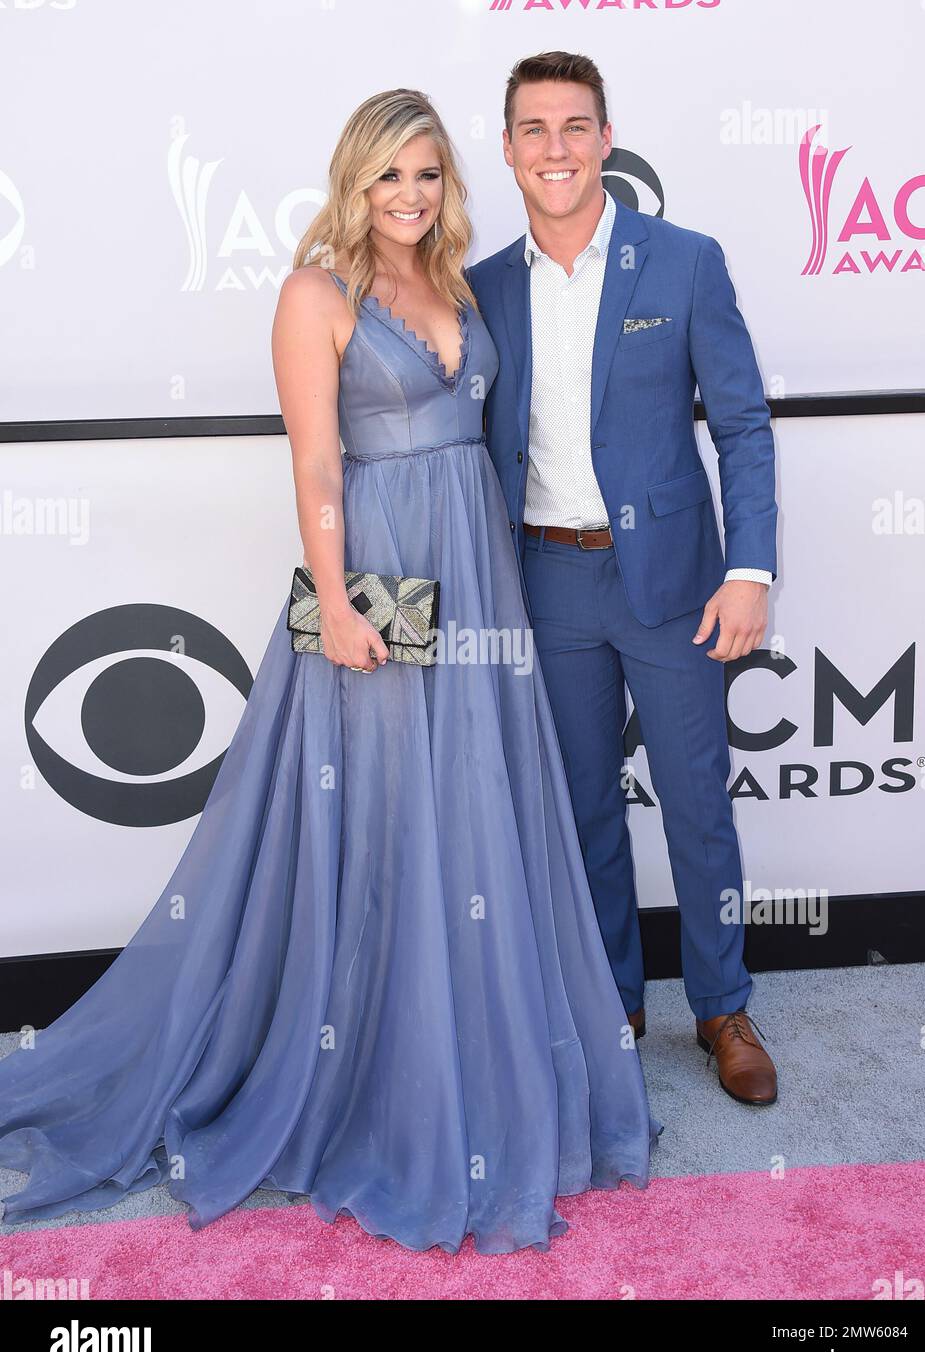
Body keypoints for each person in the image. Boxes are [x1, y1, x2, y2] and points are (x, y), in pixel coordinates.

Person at [0, 88, 662, 1255]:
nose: (406, 195)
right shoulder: (315, 292)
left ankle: (474, 1036)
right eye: (385, 177)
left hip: (480, 566)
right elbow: (314, 457)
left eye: (424, 174)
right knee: (389, 809)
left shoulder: (454, 283)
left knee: (477, 804)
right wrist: (342, 598)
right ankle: (375, 1062)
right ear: (351, 182)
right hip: (386, 575)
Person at [467, 52, 779, 1105]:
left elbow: (739, 423)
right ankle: (613, 1003)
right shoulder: (483, 290)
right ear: (507, 148)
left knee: (696, 803)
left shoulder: (684, 262)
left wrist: (749, 567)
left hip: (676, 585)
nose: (553, 148)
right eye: (533, 128)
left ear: (605, 139)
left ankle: (723, 1007)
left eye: (573, 126)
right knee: (583, 807)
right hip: (548, 581)